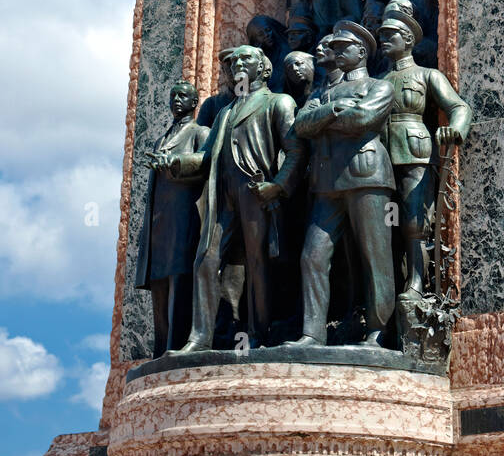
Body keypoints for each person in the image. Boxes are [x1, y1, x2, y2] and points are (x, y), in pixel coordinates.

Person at [168, 46, 305, 351]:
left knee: (258, 264)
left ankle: (258, 334)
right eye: (232, 62)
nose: (237, 65)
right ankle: (199, 337)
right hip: (223, 195)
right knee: (205, 260)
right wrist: (176, 163)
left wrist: (278, 186)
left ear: (265, 69)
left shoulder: (278, 102)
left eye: (246, 59)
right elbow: (205, 159)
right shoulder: (225, 112)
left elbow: (296, 151)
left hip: (257, 192)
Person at [288, 21, 396, 348]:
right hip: (326, 183)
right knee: (312, 256)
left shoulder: (380, 87)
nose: (334, 51)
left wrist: (325, 119)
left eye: (341, 47)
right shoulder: (324, 93)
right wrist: (334, 109)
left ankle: (379, 332)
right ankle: (312, 333)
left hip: (366, 176)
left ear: (361, 51)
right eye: (332, 47)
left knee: (375, 256)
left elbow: (363, 119)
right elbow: (301, 126)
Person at [377, 1, 472, 297]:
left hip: (414, 152)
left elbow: (459, 107)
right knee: (384, 226)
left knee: (415, 223)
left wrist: (455, 129)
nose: (383, 40)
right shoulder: (376, 81)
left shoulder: (427, 75)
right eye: (381, 35)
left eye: (390, 35)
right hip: (379, 158)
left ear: (408, 40)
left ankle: (417, 283)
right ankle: (389, 288)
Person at [136, 82, 209, 357]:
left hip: (184, 216)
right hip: (160, 222)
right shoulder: (161, 138)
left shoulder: (200, 132)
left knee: (179, 277)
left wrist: (174, 162)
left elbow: (207, 163)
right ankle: (160, 348)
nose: (177, 100)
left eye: (183, 96)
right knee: (160, 281)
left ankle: (175, 345)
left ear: (194, 103)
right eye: (173, 96)